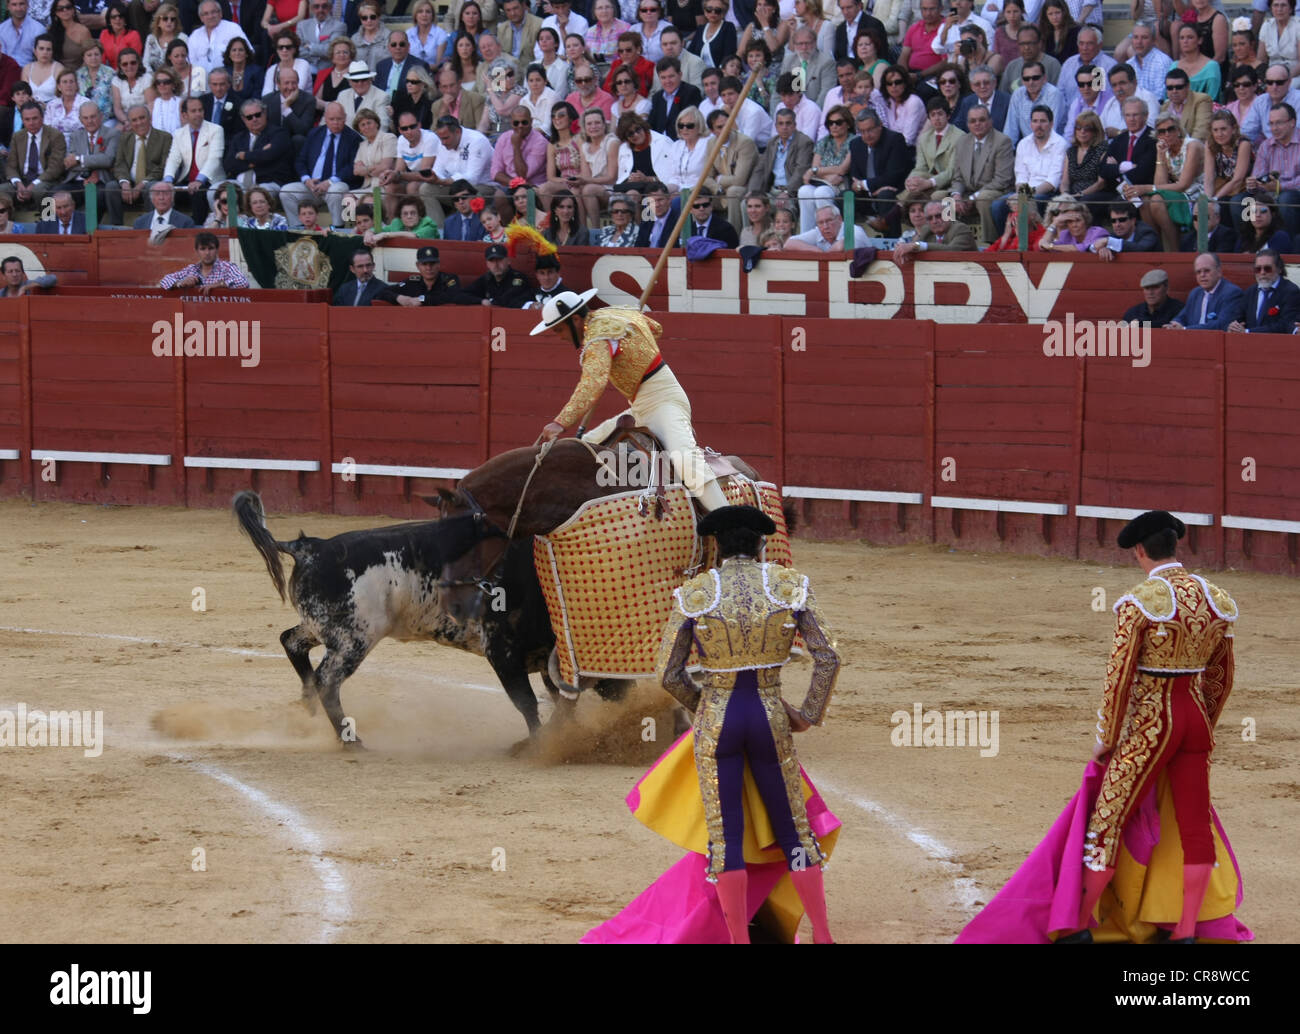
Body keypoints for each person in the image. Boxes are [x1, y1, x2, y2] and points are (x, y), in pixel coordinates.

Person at [619, 503, 838, 944]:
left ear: (716, 546)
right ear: (761, 545)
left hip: (718, 719)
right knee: (794, 830)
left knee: (726, 836)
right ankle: (824, 937)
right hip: (769, 714)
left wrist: (704, 704)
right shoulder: (788, 585)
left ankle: (739, 941)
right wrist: (807, 714)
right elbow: (829, 657)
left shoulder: (695, 592)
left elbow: (667, 672)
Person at [1055, 511, 1238, 944]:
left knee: (1109, 817)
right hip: (1194, 719)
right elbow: (1222, 679)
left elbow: (1118, 680)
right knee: (1195, 827)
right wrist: (1203, 728)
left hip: (1151, 724)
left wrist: (1106, 738)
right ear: (1176, 546)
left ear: (1139, 551)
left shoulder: (1139, 601)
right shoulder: (1217, 599)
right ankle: (1186, 933)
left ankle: (1080, 924)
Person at [533, 291, 728, 511]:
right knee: (587, 445)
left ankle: (727, 518)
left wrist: (560, 422)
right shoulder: (614, 315)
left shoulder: (598, 339)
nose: (560, 336)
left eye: (559, 329)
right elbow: (655, 328)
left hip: (664, 401)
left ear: (575, 319)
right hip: (641, 406)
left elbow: (592, 384)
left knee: (684, 459)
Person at [948, 102, 1015, 242]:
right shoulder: (962, 142)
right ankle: (947, 240)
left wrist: (974, 197)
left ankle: (989, 243)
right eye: (973, 121)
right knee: (943, 198)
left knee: (983, 198)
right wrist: (956, 195)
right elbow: (957, 177)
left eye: (982, 120)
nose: (977, 124)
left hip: (996, 191)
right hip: (969, 192)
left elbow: (1002, 179)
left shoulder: (1002, 141)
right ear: (968, 124)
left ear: (990, 121)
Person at [161, 93, 221, 222]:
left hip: (209, 181)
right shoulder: (178, 133)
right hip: (186, 180)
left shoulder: (216, 130)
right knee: (165, 193)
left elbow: (214, 159)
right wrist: (168, 180)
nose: (198, 114)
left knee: (198, 193)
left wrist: (199, 180)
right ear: (184, 115)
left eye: (200, 110)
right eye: (193, 111)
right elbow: (173, 158)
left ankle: (198, 229)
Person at [222, 97, 292, 197]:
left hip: (268, 183)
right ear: (243, 119)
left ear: (265, 113)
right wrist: (257, 157)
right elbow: (229, 164)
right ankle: (228, 213)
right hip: (239, 183)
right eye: (249, 117)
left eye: (258, 115)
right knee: (215, 191)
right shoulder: (238, 138)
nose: (254, 119)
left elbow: (269, 156)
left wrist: (244, 155)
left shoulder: (278, 133)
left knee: (257, 193)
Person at [1247, 101, 1300, 234]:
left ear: (1292, 122)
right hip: (1269, 193)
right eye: (1271, 123)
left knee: (1286, 199)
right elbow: (1259, 175)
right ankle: (1247, 248)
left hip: (1294, 193)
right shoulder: (1266, 145)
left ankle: (1289, 249)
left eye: (1279, 123)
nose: (1274, 128)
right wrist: (1253, 184)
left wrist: (1279, 187)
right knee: (1239, 201)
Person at [4, 101, 66, 209]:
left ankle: (47, 221)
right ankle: (6, 224)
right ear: (23, 120)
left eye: (35, 118)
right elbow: (11, 166)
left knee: (40, 191)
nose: (31, 123)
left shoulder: (55, 135)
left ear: (42, 118)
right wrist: (18, 184)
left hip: (46, 179)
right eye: (27, 119)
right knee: (2, 190)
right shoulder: (17, 136)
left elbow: (55, 168)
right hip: (23, 180)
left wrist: (33, 185)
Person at [1166, 250, 1246, 329]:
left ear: (1219, 272)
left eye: (1207, 271)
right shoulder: (1195, 293)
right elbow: (1182, 317)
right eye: (1198, 272)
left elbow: (1222, 325)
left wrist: (1185, 329)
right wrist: (1175, 324)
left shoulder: (1232, 293)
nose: (1202, 275)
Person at [376, 243, 477, 306]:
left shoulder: (448, 279)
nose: (429, 268)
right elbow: (383, 292)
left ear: (439, 264)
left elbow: (453, 296)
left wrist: (422, 299)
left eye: (432, 264)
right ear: (417, 265)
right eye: (424, 264)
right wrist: (399, 298)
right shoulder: (412, 282)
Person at [1230, 246, 1300, 330]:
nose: (1262, 272)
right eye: (1258, 269)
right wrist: (1233, 326)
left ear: (1279, 269)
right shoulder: (1250, 291)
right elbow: (1238, 317)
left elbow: (1285, 325)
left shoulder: (1291, 291)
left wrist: (1248, 332)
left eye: (1267, 268)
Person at [159, 229, 249, 290]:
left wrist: (220, 284)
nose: (207, 253)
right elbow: (164, 281)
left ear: (217, 250)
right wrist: (180, 283)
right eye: (203, 249)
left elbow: (244, 282)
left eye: (211, 248)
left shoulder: (227, 267)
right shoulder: (191, 269)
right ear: (197, 251)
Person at [1004, 59, 1064, 147]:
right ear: (1022, 80)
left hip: (1053, 146)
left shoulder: (1053, 94)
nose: (1031, 82)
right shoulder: (1018, 94)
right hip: (1027, 147)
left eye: (1035, 78)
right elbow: (1010, 129)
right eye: (1026, 79)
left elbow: (1051, 130)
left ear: (1044, 78)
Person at [649, 54, 701, 140]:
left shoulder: (691, 92)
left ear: (680, 75)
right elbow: (652, 125)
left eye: (671, 76)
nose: (667, 81)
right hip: (659, 145)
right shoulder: (657, 97)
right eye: (663, 77)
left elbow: (689, 124)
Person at [1101, 62, 1159, 140]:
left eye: (1122, 83)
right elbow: (1100, 129)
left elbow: (1150, 131)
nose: (1118, 89)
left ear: (1134, 82)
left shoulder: (1148, 99)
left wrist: (1118, 133)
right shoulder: (1110, 103)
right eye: (1114, 85)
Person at [467, 240, 532, 307]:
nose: (496, 265)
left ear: (508, 261)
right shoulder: (486, 278)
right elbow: (461, 295)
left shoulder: (518, 278)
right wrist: (481, 301)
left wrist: (491, 302)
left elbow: (508, 298)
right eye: (492, 261)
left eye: (499, 260)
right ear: (487, 264)